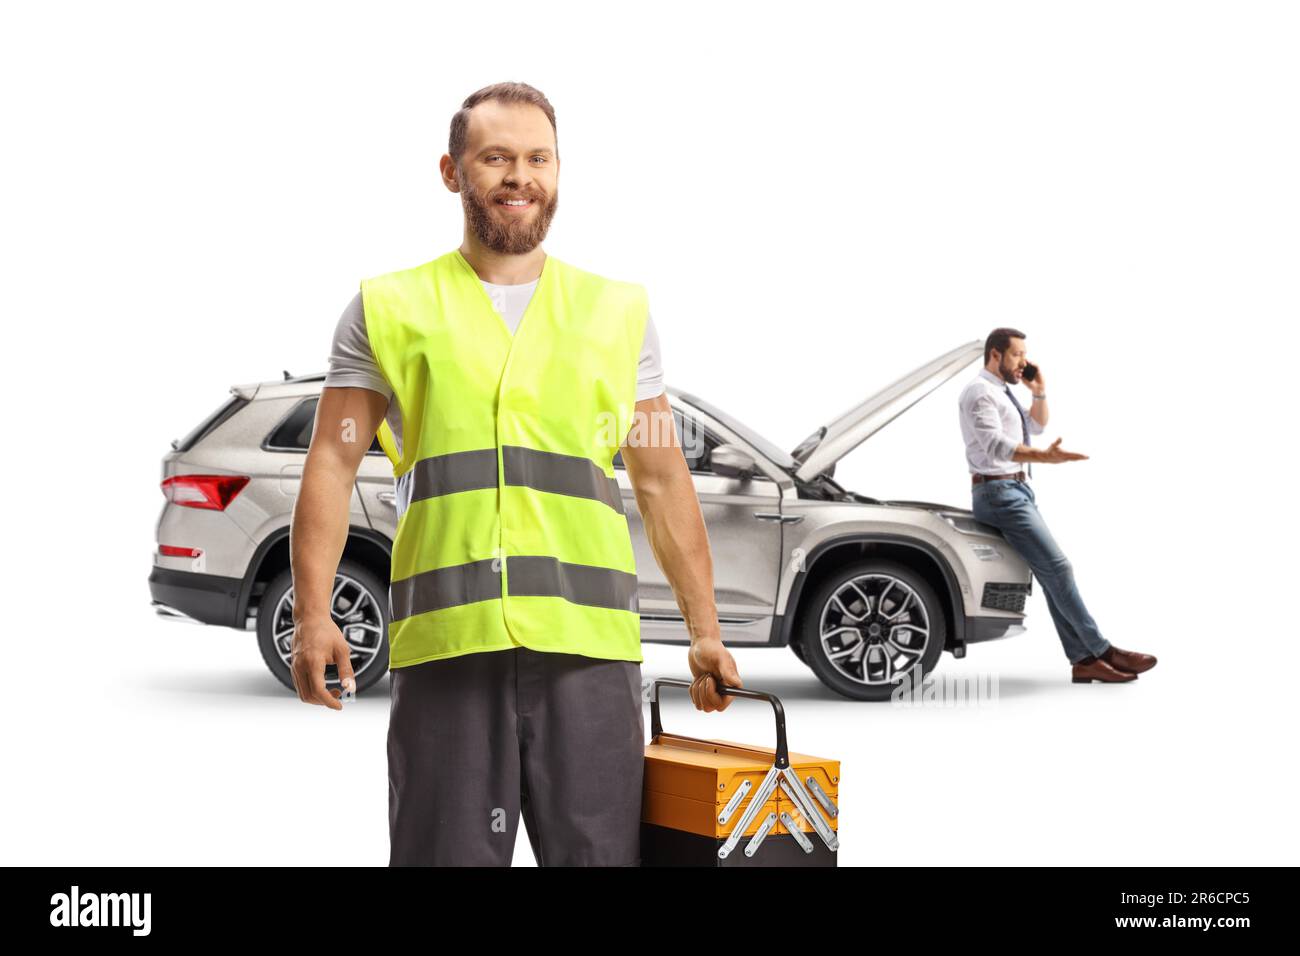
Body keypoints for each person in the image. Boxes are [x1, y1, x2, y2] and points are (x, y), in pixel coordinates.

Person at [288, 81, 743, 866]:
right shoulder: (387, 308)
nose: (518, 176)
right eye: (495, 157)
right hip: (448, 646)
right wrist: (312, 614)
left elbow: (663, 479)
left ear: (559, 172)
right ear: (452, 171)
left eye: (538, 158)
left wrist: (705, 632)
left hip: (589, 651)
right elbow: (332, 460)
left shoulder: (618, 313)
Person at [957, 327, 1157, 684]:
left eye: (1023, 355)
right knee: (1060, 570)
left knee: (1052, 577)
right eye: (1017, 354)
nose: (1024, 361)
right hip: (998, 494)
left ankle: (1083, 660)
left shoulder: (1002, 392)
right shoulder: (978, 392)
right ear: (995, 355)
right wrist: (1047, 459)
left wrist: (1039, 391)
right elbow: (996, 446)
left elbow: (1035, 425)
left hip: (1015, 492)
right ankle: (1103, 650)